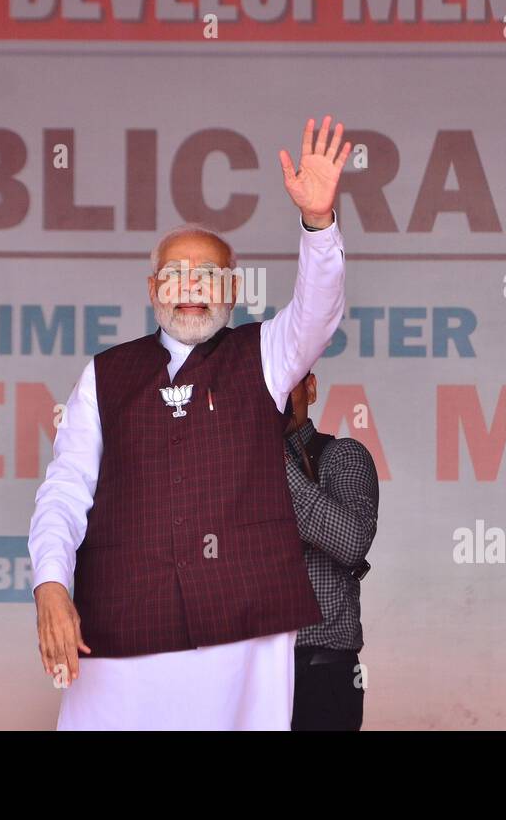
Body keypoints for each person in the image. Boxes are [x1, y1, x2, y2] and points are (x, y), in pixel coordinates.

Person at [29, 115, 350, 729]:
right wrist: (50, 584)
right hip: (123, 622)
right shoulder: (105, 374)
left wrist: (317, 223)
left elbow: (318, 312)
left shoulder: (265, 354)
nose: (190, 289)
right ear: (154, 289)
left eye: (206, 276)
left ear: (232, 290)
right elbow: (65, 490)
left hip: (242, 628)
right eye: (175, 276)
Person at [282, 370, 378, 731]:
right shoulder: (229, 467)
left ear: (311, 388)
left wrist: (271, 456)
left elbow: (351, 541)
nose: (272, 399)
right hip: (246, 671)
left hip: (320, 672)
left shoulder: (342, 455)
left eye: (283, 385)